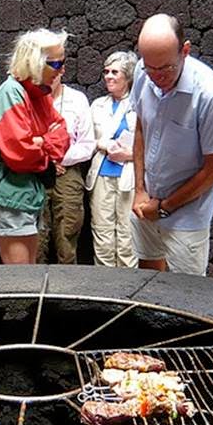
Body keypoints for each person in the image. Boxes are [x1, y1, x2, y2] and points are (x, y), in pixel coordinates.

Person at [130, 14, 213, 275]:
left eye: (165, 68)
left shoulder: (211, 94)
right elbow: (141, 128)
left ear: (184, 51)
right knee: (147, 281)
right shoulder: (144, 74)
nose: (156, 77)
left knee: (187, 295)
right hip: (147, 203)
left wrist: (164, 208)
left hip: (187, 214)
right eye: (149, 67)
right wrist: (140, 189)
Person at [0, 28, 71, 265]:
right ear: (34, 61)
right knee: (20, 277)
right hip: (11, 192)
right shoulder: (13, 91)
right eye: (56, 63)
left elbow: (63, 134)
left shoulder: (37, 92)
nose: (62, 69)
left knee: (28, 271)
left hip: (27, 192)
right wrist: (45, 148)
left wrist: (41, 142)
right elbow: (20, 154)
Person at [85, 51, 139, 268]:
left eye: (114, 72)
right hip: (101, 174)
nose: (108, 76)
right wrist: (104, 144)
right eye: (106, 71)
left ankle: (128, 287)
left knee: (128, 233)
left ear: (127, 77)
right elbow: (87, 138)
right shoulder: (98, 105)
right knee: (102, 232)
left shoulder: (139, 104)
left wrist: (130, 154)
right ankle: (104, 286)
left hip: (130, 177)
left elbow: (153, 143)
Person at [36, 69, 95, 264]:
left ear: (61, 72)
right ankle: (33, 285)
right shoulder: (31, 97)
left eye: (53, 74)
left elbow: (87, 144)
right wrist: (48, 161)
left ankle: (68, 284)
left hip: (68, 170)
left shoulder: (77, 99)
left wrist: (59, 159)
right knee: (36, 231)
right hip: (37, 169)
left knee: (68, 231)